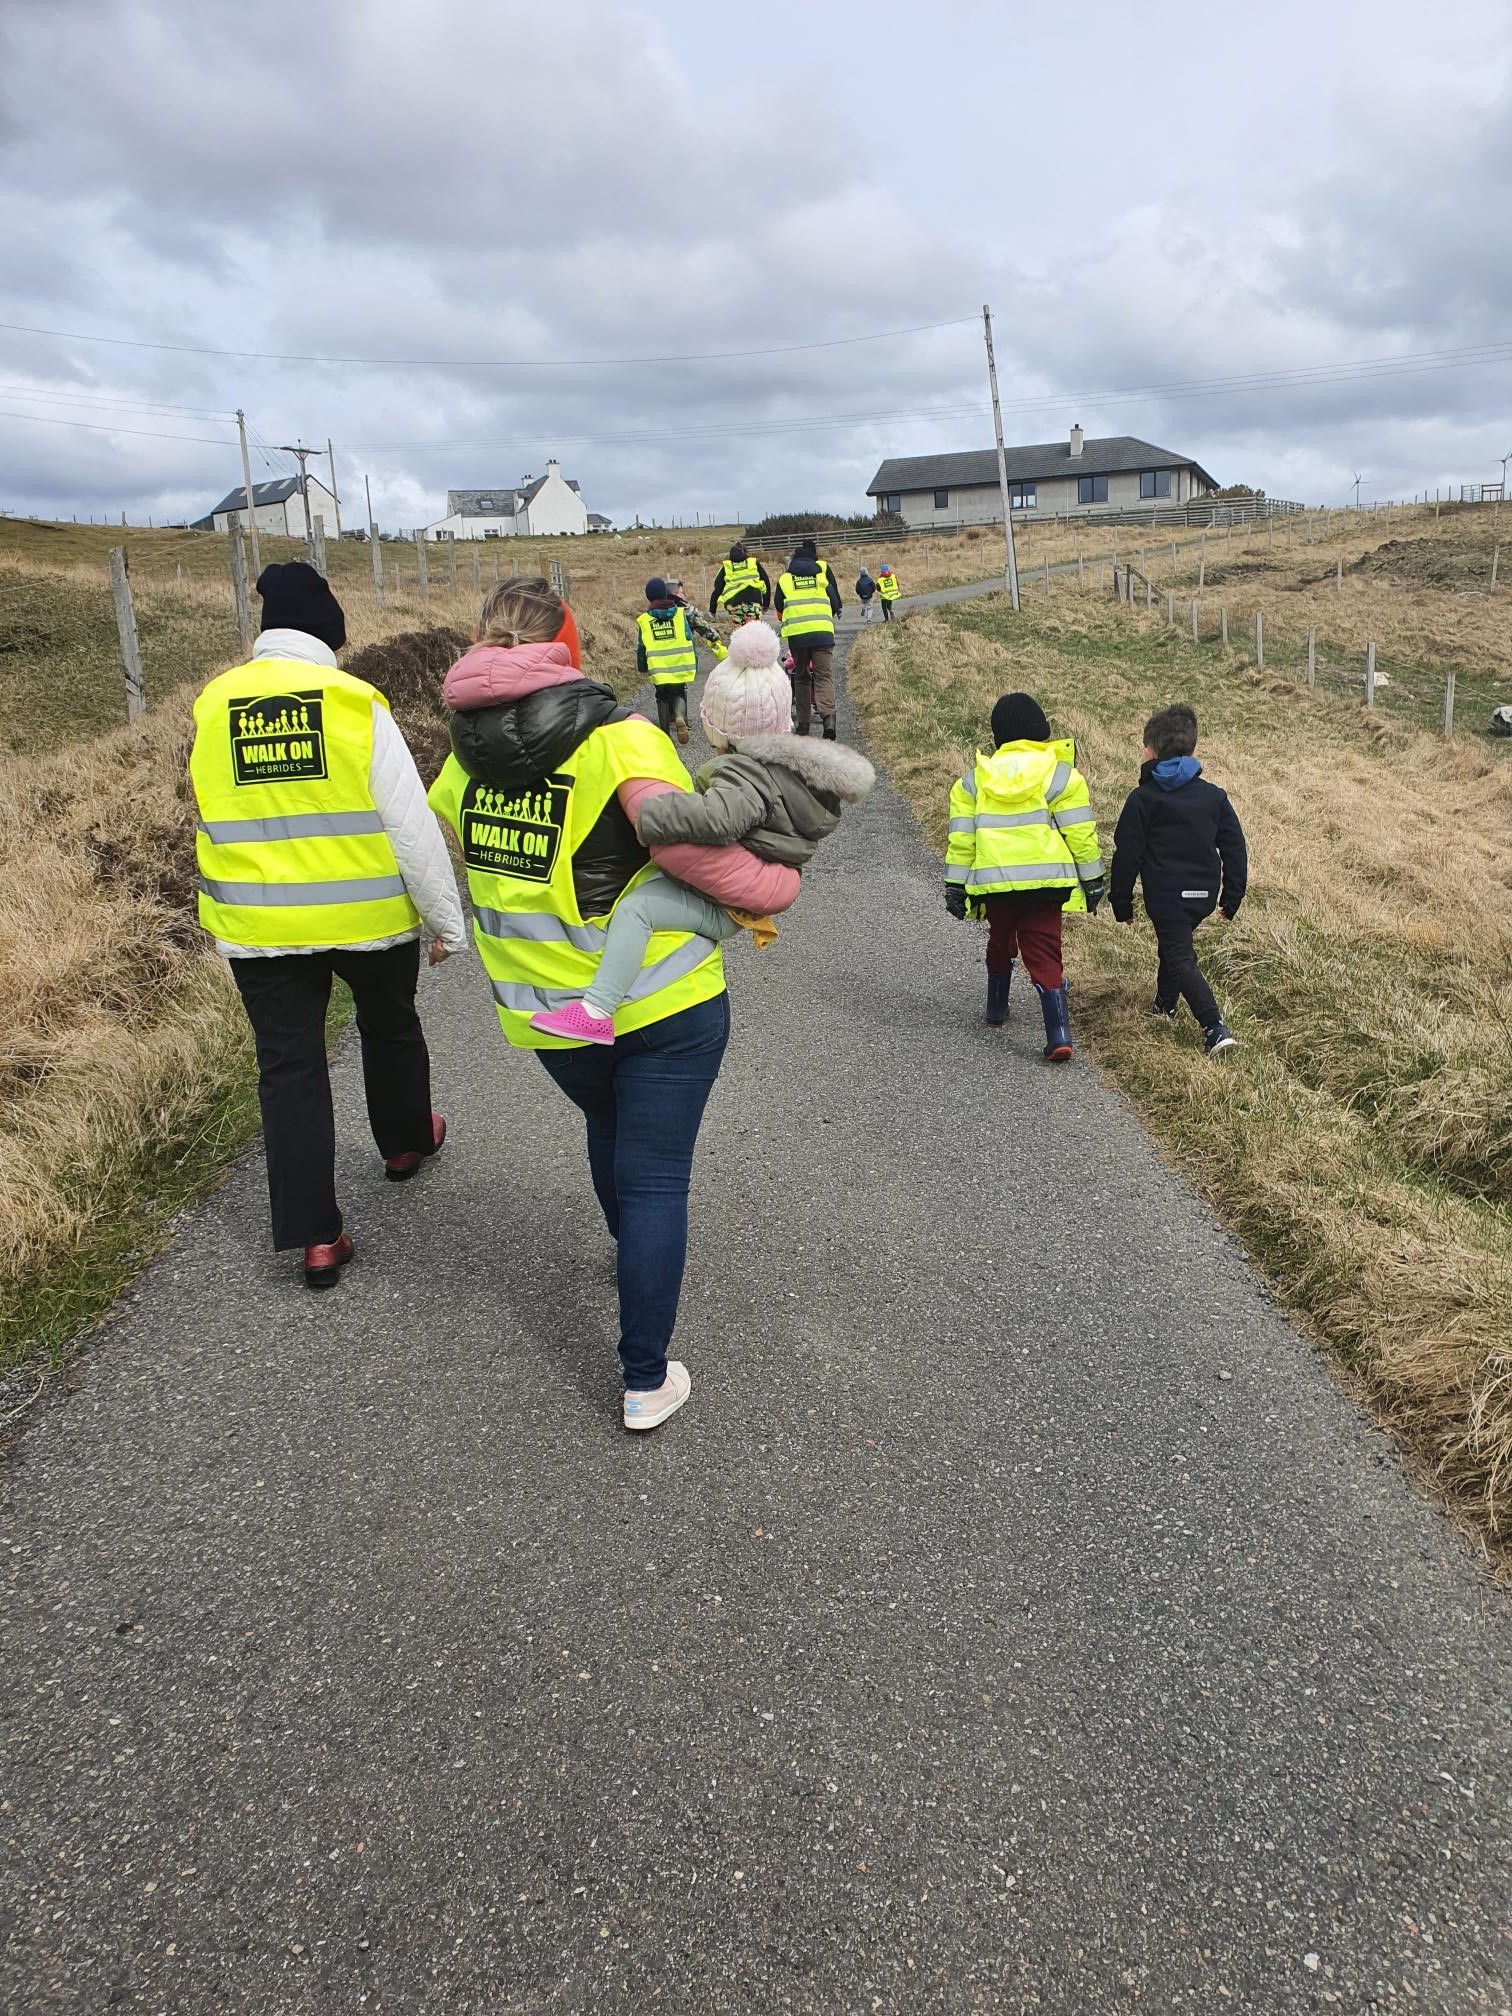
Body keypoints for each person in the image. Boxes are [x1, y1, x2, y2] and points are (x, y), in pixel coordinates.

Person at [429, 577, 792, 1431]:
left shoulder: (459, 762)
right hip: (663, 1000)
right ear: (565, 645)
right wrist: (776, 888)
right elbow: (696, 851)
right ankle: (644, 1376)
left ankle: (635, 1258)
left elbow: (477, 844)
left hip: (547, 1012)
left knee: (608, 1127)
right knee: (657, 1174)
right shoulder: (621, 740)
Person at [189, 561, 467, 1289]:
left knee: (290, 1067)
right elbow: (409, 823)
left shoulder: (214, 705)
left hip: (258, 925)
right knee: (389, 1022)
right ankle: (405, 1143)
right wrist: (447, 922)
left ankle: (317, 1237)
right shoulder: (353, 701)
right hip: (366, 915)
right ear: (329, 633)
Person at [528, 621, 873, 1046]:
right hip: (741, 891)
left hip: (725, 905)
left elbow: (721, 818)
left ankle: (598, 1009)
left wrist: (651, 814)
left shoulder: (743, 773)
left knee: (637, 909)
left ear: (719, 725)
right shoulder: (780, 771)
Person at [944, 691, 1104, 1062]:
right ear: (1042, 732)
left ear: (997, 737)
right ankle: (1058, 1034)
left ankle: (997, 1009)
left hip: (995, 883)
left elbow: (961, 840)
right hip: (1047, 883)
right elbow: (1080, 834)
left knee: (1000, 941)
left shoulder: (972, 782)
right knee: (1045, 950)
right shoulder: (1063, 776)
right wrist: (1093, 880)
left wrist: (955, 886)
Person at [1109, 703, 1246, 1056]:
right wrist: (1232, 897)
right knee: (1173, 947)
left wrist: (1120, 901)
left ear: (1148, 752)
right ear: (1194, 750)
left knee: (1180, 957)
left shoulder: (1143, 799)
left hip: (1167, 897)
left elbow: (1127, 854)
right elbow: (1234, 848)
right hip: (1202, 894)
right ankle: (1164, 1007)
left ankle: (1214, 1027)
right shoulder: (1214, 797)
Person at [774, 539, 842, 738]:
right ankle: (828, 718)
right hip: (822, 634)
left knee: (802, 677)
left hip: (798, 637)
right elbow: (835, 603)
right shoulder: (821, 577)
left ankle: (803, 724)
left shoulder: (785, 580)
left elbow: (778, 605)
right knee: (823, 677)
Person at [636, 577, 698, 744]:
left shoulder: (645, 620)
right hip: (678, 662)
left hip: (658, 667)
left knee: (661, 697)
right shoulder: (679, 614)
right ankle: (679, 716)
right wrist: (695, 662)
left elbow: (641, 647)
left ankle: (665, 736)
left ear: (649, 597)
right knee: (678, 692)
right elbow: (689, 639)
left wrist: (642, 666)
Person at [709, 542, 772, 620]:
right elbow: (766, 582)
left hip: (733, 603)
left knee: (739, 628)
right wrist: (765, 605)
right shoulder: (753, 563)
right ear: (745, 552)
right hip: (754, 599)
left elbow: (718, 589)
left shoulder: (726, 566)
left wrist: (712, 611)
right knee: (754, 626)